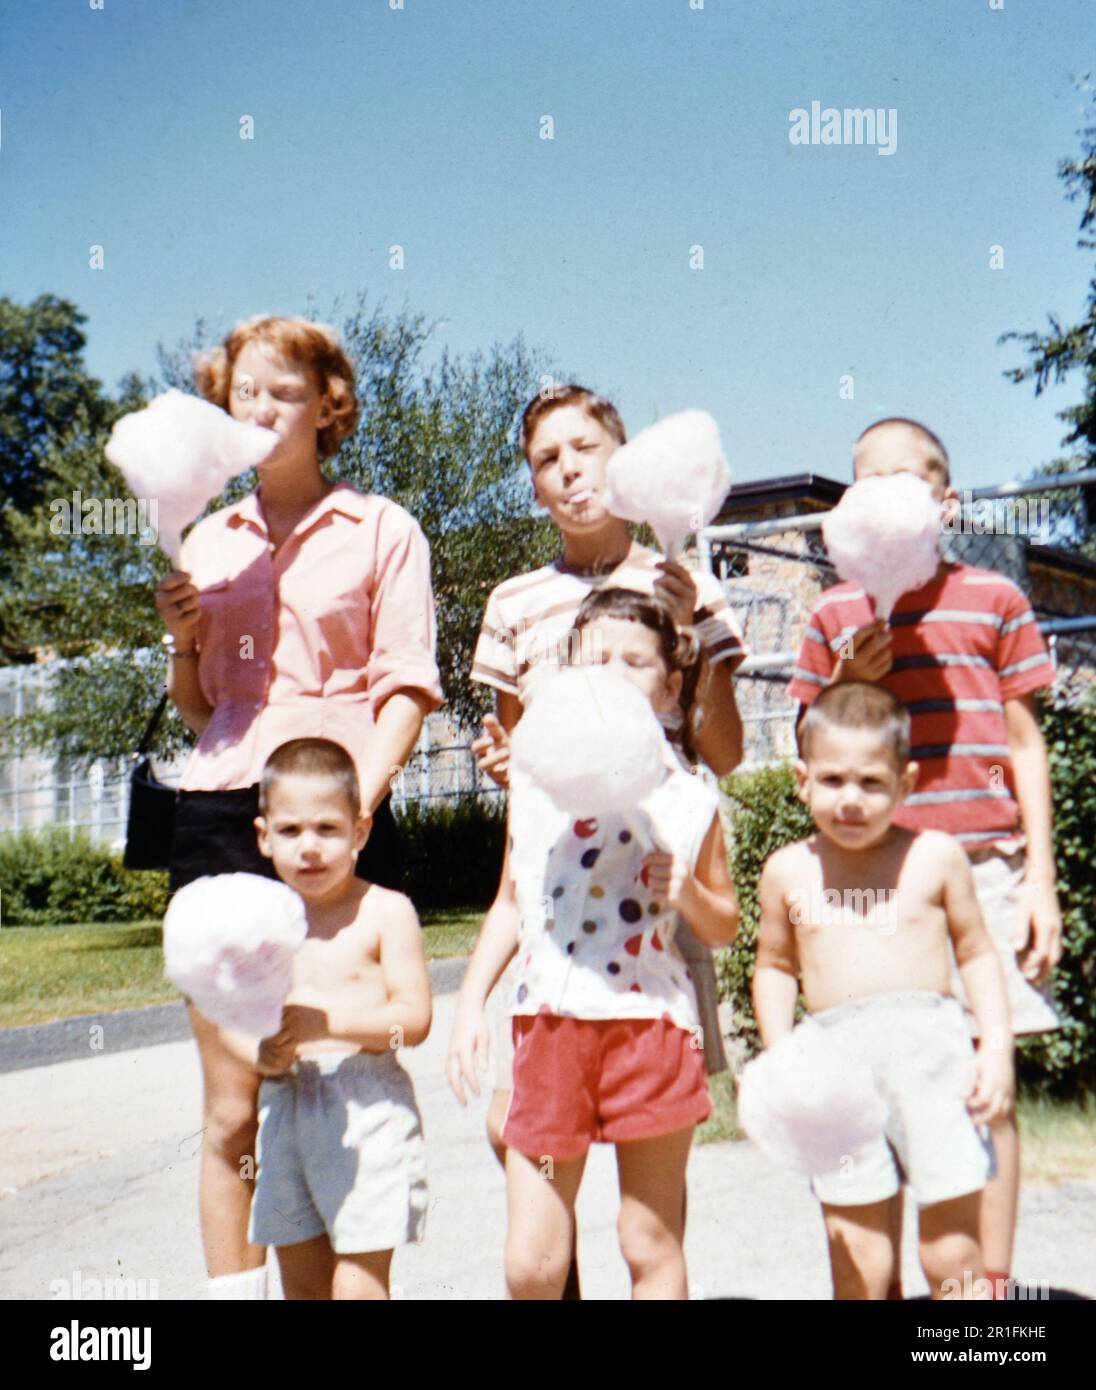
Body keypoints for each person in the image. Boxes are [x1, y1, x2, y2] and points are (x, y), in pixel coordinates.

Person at [154, 315, 443, 1298]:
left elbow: (406, 684)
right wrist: (182, 639)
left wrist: (359, 805)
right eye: (244, 393)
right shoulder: (207, 538)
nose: (261, 408)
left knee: (331, 1073)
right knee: (234, 1103)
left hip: (335, 814)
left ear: (329, 404)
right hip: (222, 813)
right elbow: (204, 708)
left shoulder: (384, 528)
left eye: (284, 391)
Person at [468, 384, 747, 1293]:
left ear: (621, 458)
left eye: (583, 448)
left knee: (650, 1205)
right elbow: (524, 762)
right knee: (540, 1197)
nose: (568, 470)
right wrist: (508, 764)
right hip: (561, 899)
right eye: (545, 459)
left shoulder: (682, 578)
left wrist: (695, 635)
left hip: (662, 880)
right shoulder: (514, 602)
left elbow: (724, 749)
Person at [787, 417, 1061, 1298]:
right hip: (873, 880)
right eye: (866, 479)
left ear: (946, 502)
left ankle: (986, 1291)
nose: (884, 492)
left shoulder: (995, 599)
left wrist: (1042, 882)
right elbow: (810, 744)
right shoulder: (833, 614)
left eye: (905, 478)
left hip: (983, 865)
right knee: (881, 1085)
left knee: (987, 1080)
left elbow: (1024, 743)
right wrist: (848, 679)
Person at [754, 681, 1014, 1300]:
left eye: (872, 783)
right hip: (836, 1079)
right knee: (860, 1263)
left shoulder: (935, 858)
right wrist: (781, 1054)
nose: (851, 799)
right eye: (833, 780)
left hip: (935, 1068)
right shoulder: (788, 871)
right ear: (802, 780)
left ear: (906, 784)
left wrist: (997, 1047)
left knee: (952, 1253)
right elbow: (774, 966)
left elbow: (977, 953)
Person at [218, 738, 431, 1300]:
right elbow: (230, 1023)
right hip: (284, 1107)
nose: (309, 847)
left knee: (358, 1286)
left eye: (327, 829)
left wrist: (328, 1024)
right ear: (264, 836)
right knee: (305, 1287)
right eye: (290, 830)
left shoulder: (384, 911)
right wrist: (259, 1053)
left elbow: (413, 1019)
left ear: (360, 831)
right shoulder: (257, 925)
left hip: (368, 1108)